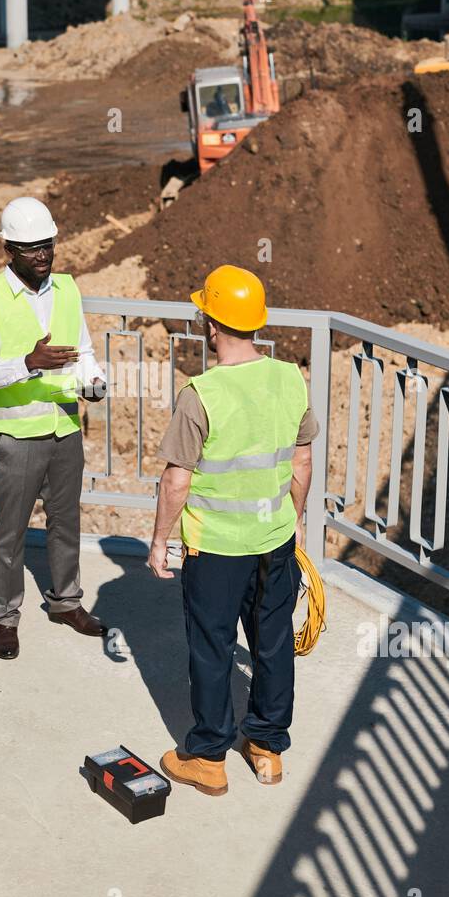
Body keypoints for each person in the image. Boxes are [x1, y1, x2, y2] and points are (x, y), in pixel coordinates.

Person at [148, 265, 318, 797]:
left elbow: (176, 480)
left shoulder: (201, 394)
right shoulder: (291, 378)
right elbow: (303, 461)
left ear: (210, 324)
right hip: (275, 541)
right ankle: (267, 749)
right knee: (272, 643)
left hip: (216, 549)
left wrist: (159, 540)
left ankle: (208, 756)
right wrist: (294, 525)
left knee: (212, 647)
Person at [0, 197, 108, 659]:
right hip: (16, 436)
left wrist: (93, 382)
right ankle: (4, 617)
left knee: (66, 522)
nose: (43, 255)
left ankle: (66, 603)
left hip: (65, 426)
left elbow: (83, 349)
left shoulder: (67, 289)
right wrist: (29, 362)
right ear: (8, 250)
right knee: (10, 531)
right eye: (31, 248)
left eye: (47, 245)